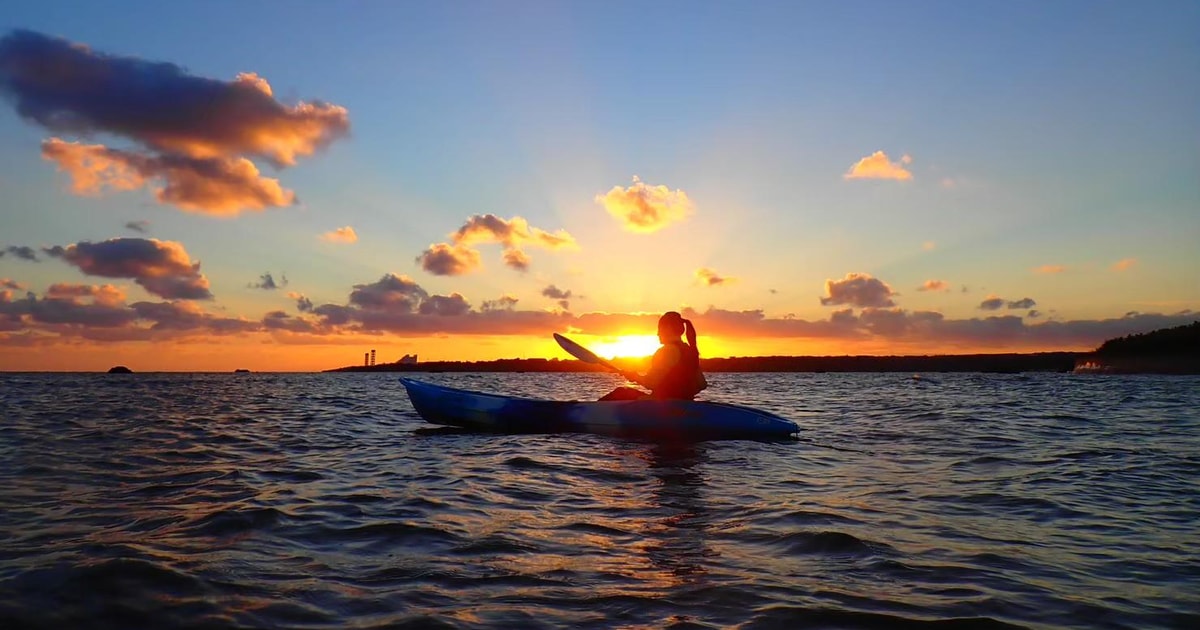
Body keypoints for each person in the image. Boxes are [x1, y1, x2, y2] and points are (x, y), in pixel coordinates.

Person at [600, 311, 708, 401]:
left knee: (621, 392)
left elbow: (651, 383)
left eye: (659, 329)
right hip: (685, 404)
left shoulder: (666, 351)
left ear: (668, 328)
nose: (657, 334)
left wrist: (634, 376)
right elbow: (701, 384)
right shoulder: (690, 351)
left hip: (661, 407)